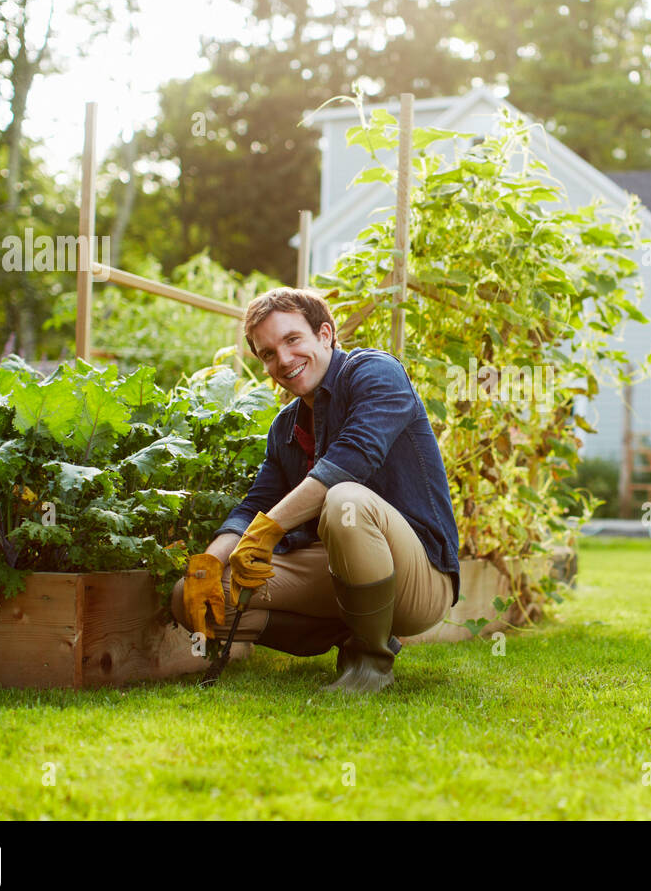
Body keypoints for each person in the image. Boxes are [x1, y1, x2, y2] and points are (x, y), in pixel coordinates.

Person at [169, 287, 460, 693]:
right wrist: (209, 562)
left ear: (325, 334)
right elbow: (256, 504)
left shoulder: (375, 372)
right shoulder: (286, 427)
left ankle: (369, 663)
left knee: (346, 500)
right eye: (268, 353)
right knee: (190, 595)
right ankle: (344, 632)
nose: (283, 359)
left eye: (292, 340)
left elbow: (350, 462)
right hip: (336, 571)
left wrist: (267, 531)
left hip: (418, 578)